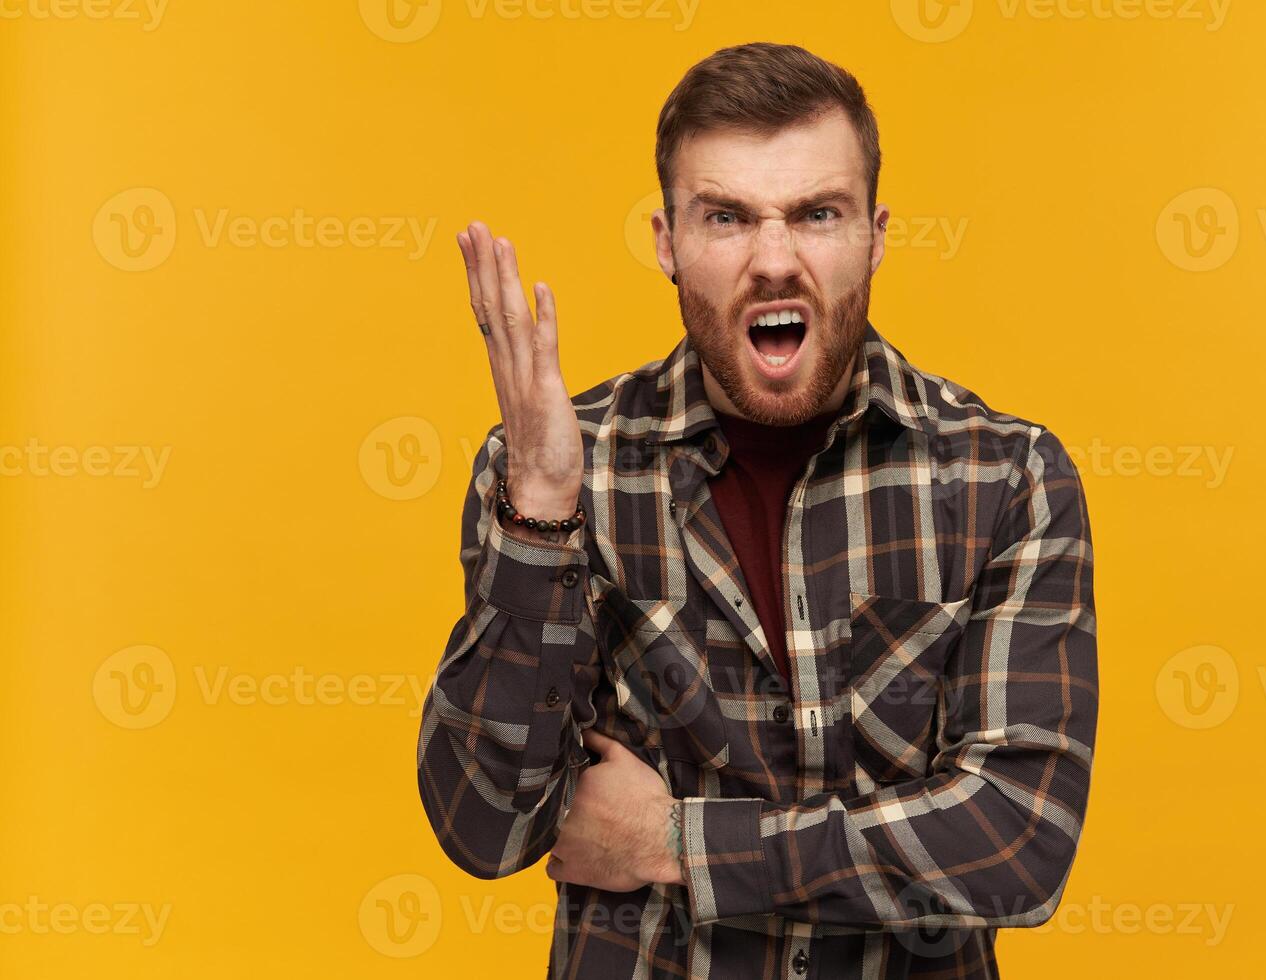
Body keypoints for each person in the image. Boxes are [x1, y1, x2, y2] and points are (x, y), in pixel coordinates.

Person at [417, 41, 1098, 979]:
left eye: (817, 213)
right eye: (727, 217)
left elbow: (1018, 843)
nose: (774, 260)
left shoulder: (1004, 478)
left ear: (876, 233)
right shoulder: (563, 473)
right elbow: (484, 829)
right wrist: (538, 517)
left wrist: (677, 843)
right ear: (667, 241)